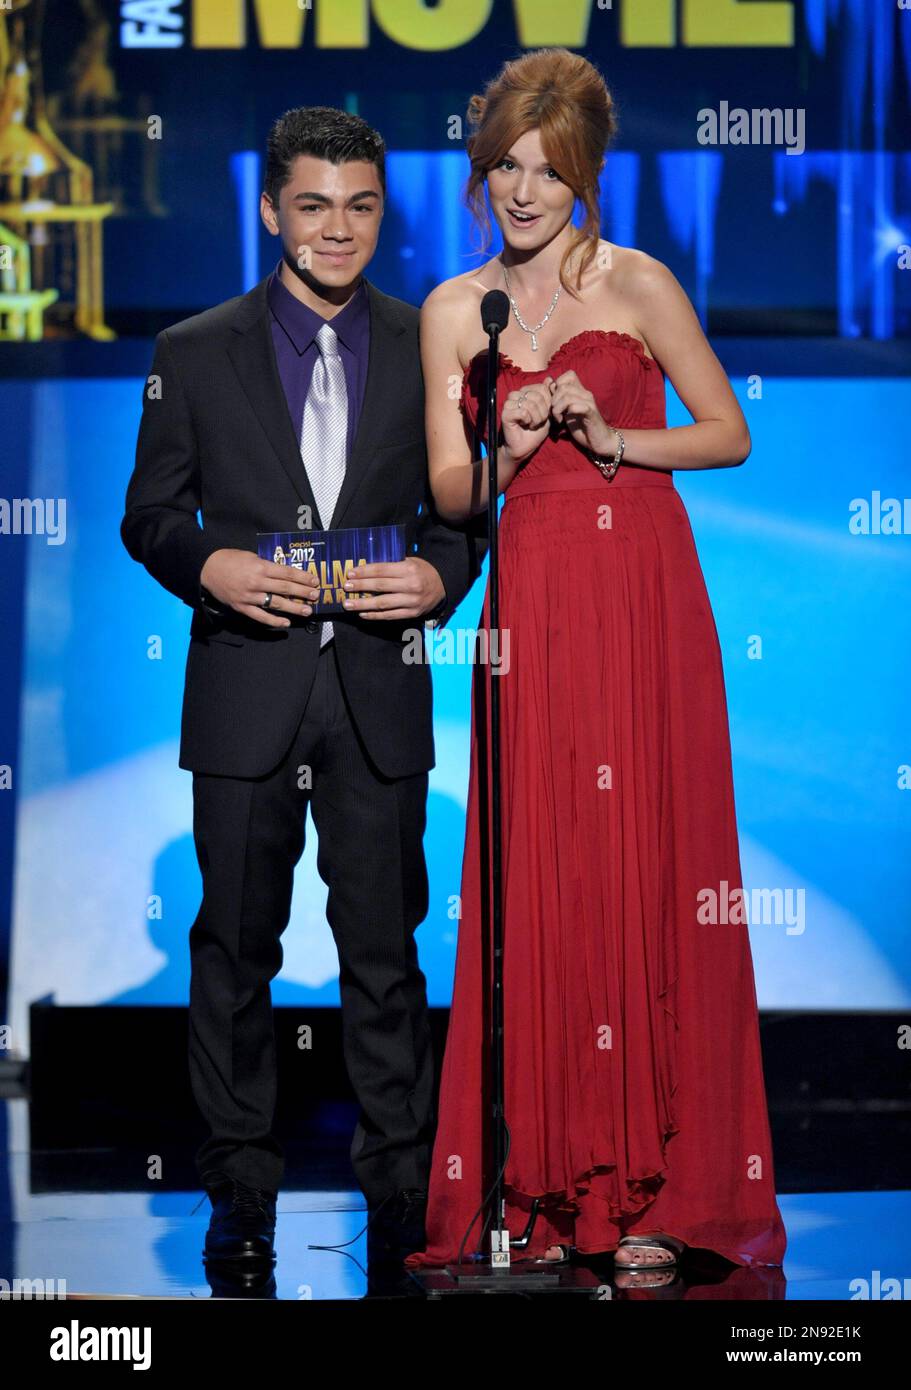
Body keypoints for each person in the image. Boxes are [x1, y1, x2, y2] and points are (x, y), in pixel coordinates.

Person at [405, 48, 787, 1275]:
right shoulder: (456, 311)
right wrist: (511, 442)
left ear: (587, 174)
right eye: (504, 167)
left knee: (653, 868)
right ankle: (550, 1184)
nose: (522, 190)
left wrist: (610, 433)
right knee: (546, 879)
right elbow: (450, 491)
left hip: (643, 597)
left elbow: (725, 432)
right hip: (535, 609)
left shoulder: (639, 283)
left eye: (547, 169)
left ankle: (668, 1195)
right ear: (480, 172)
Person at [121, 106, 485, 1268]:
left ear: (383, 211)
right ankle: (241, 1190)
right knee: (234, 951)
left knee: (384, 954)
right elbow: (150, 516)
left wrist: (436, 575)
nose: (339, 228)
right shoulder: (192, 349)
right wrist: (209, 564)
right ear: (271, 208)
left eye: (362, 205)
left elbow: (455, 516)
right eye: (315, 204)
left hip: (376, 688)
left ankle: (397, 1191)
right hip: (245, 687)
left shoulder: (425, 338)